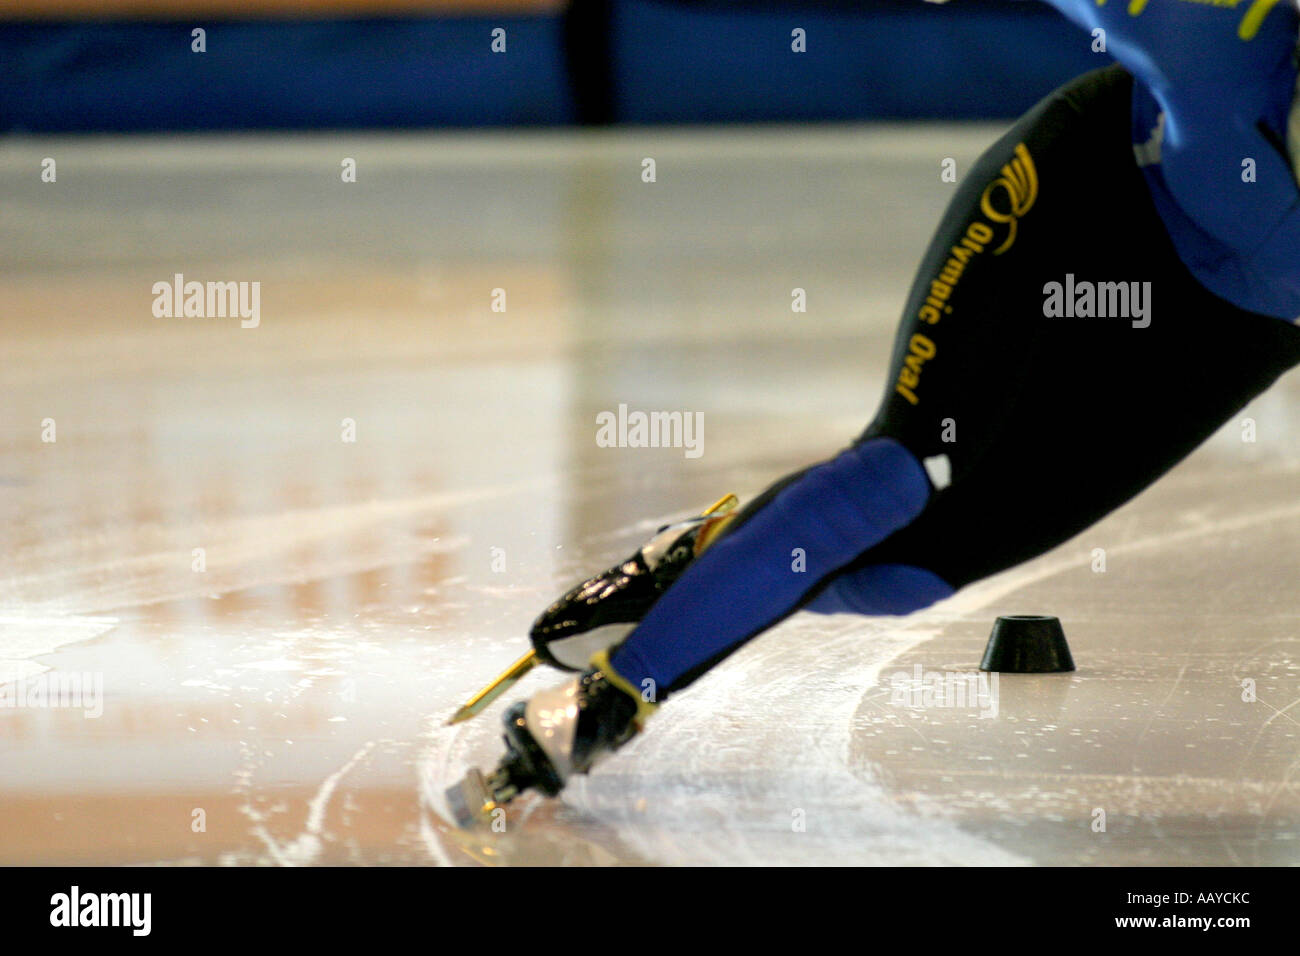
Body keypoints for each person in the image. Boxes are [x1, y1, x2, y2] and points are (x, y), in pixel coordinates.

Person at [448, 0, 1300, 821]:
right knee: (906, 469)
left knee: (902, 577)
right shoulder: (1212, 35)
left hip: (1223, 328)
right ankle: (608, 701)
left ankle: (705, 560)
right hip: (1084, 192)